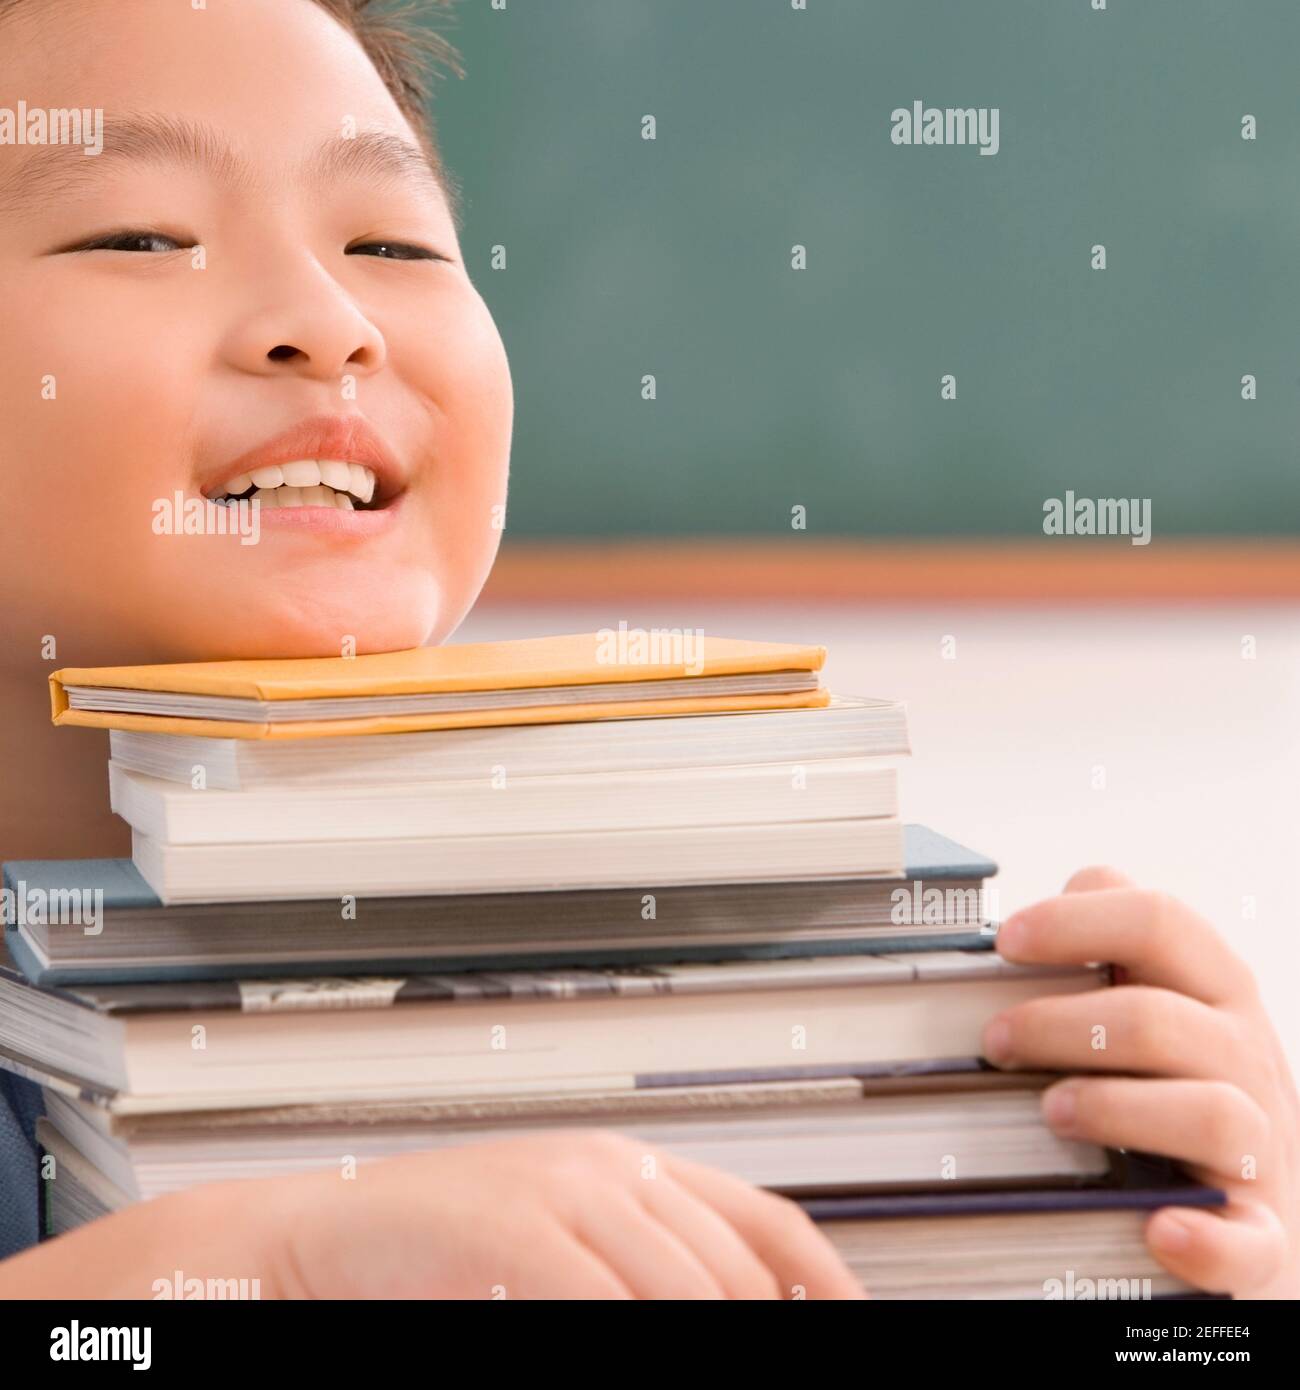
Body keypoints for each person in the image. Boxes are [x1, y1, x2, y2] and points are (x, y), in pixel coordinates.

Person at [0, 0, 1294, 1298]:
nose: (331, 322)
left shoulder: (784, 1003)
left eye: (391, 241)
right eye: (142, 234)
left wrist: (1189, 1254)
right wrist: (272, 1263)